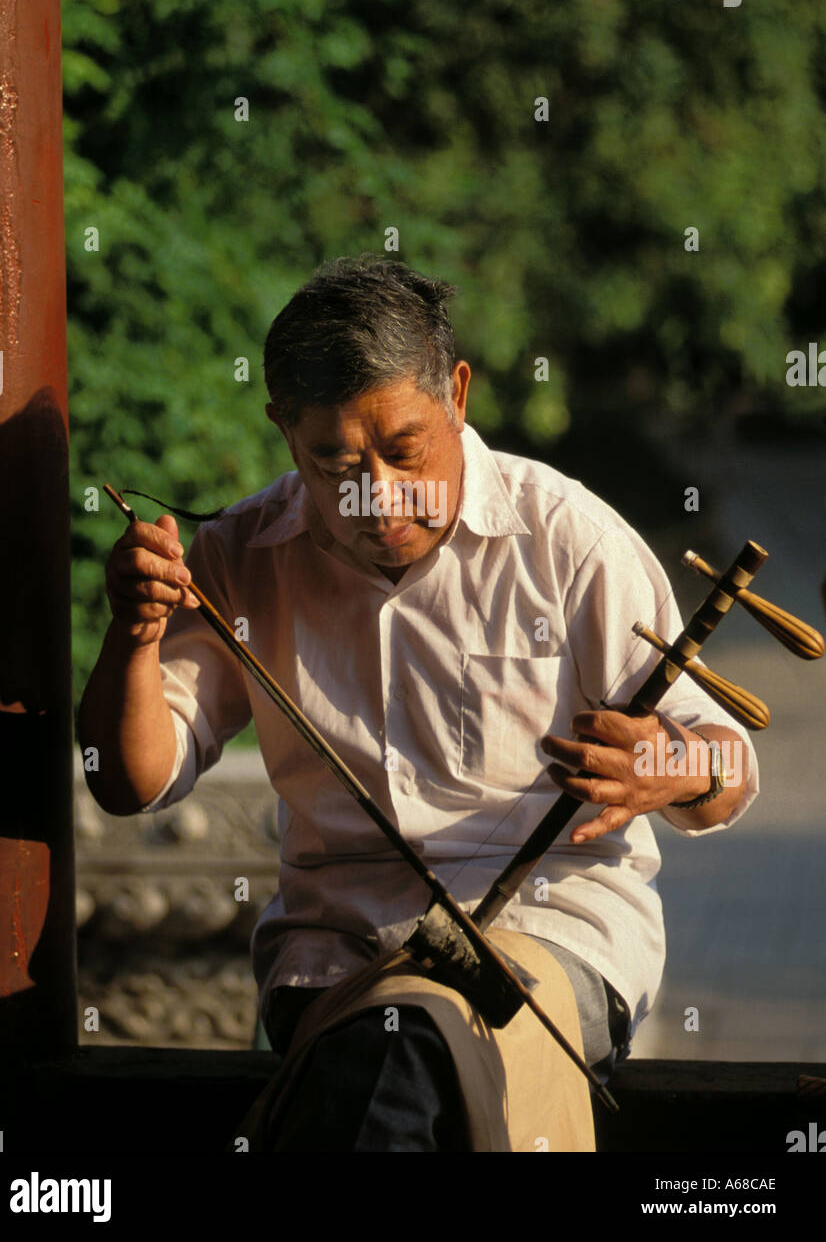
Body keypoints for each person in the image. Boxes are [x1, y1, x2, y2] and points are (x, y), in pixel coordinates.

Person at [78, 254, 759, 1152]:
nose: (378, 497)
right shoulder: (243, 557)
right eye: (334, 462)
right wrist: (132, 633)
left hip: (548, 942)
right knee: (392, 1047)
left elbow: (729, 764)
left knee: (408, 1052)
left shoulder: (568, 542)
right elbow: (128, 782)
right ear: (283, 429)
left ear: (459, 396)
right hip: (339, 959)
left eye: (405, 451)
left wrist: (666, 766)